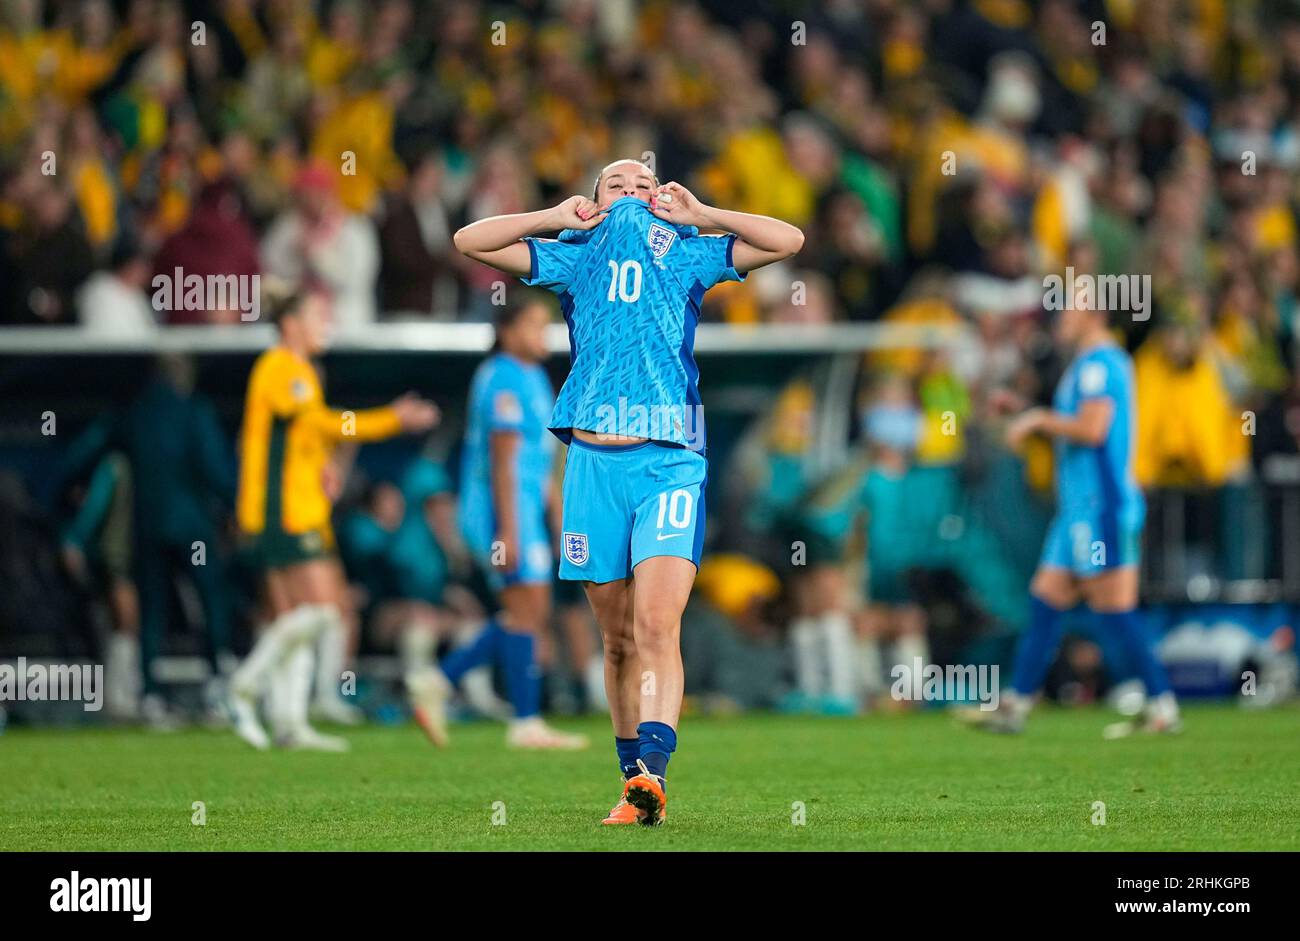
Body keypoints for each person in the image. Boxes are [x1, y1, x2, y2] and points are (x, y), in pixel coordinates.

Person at [453, 158, 803, 824]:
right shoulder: (574, 258)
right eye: (617, 186)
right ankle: (631, 782)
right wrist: (552, 218)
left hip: (670, 462)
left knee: (655, 624)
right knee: (616, 640)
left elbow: (789, 241)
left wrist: (704, 215)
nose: (634, 195)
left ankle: (653, 775)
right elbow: (470, 241)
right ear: (594, 204)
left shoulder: (690, 254)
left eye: (645, 186)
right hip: (591, 466)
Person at [227, 282, 438, 751]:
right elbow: (322, 423)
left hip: (298, 510)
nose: (326, 325)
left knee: (297, 616)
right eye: (317, 316)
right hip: (284, 512)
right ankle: (242, 687)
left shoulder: (294, 371)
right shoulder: (282, 366)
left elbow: (304, 434)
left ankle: (288, 722)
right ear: (290, 324)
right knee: (326, 611)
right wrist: (391, 419)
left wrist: (324, 467)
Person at [962, 296, 1181, 737]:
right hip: (1076, 511)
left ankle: (1162, 706)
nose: (1059, 318)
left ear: (1093, 314)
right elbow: (1077, 425)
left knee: (1114, 608)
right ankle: (1016, 705)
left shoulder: (1101, 364)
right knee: (1045, 600)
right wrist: (1026, 410)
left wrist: (1039, 419)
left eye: (1069, 309)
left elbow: (1093, 430)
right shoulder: (1085, 366)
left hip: (1100, 508)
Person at [416, 293, 588, 749]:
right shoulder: (501, 379)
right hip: (497, 512)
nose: (542, 334)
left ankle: (453, 687)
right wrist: (508, 530)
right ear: (507, 331)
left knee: (528, 611)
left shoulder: (535, 378)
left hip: (525, 510)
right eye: (533, 324)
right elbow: (503, 462)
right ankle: (505, 711)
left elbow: (541, 460)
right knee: (525, 609)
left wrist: (556, 517)